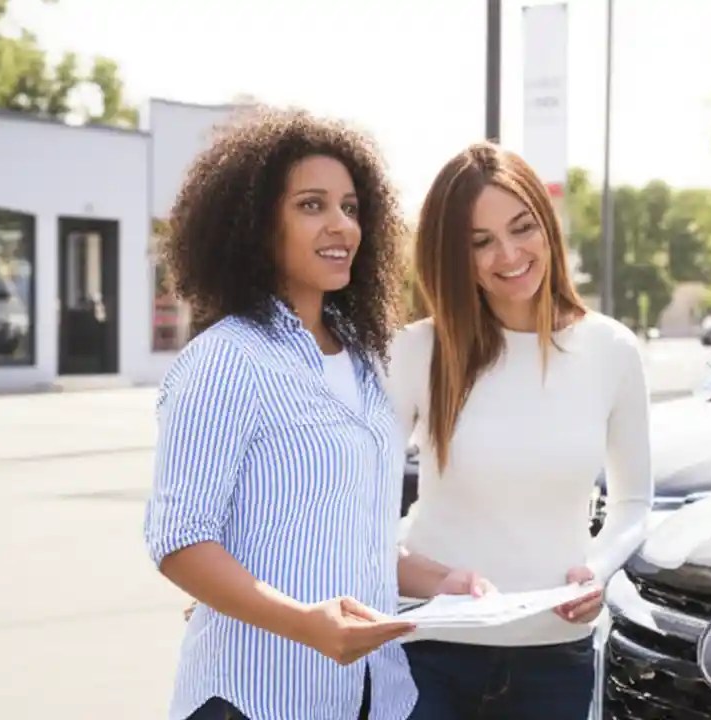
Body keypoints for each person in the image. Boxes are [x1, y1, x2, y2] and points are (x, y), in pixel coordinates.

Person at [143, 108, 488, 720]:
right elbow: (180, 540)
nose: (341, 226)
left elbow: (348, 535)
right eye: (311, 205)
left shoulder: (364, 359)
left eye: (351, 208)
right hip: (255, 696)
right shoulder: (225, 360)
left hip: (369, 697)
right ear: (255, 225)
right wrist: (304, 624)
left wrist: (440, 582)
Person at [384, 141, 653, 718]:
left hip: (556, 659)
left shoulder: (611, 349)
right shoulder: (416, 352)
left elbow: (634, 501)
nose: (508, 254)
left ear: (547, 225)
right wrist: (426, 576)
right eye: (480, 242)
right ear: (452, 255)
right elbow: (356, 511)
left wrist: (598, 572)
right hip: (431, 651)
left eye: (521, 227)